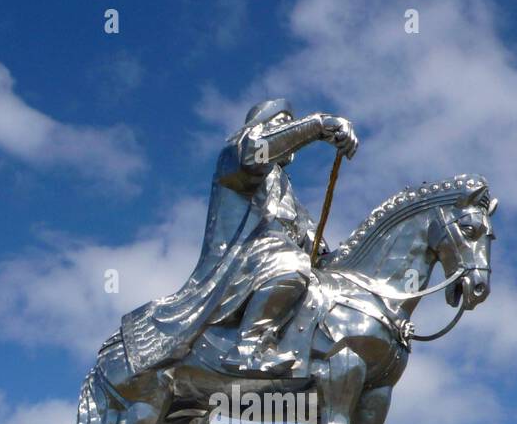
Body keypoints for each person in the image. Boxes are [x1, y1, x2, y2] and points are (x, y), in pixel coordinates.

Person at [119, 99, 359, 377]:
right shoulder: (237, 153)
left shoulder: (285, 188)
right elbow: (256, 151)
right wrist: (318, 125)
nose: (290, 131)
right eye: (283, 124)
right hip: (245, 260)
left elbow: (308, 237)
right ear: (262, 125)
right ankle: (249, 346)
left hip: (270, 261)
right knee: (291, 264)